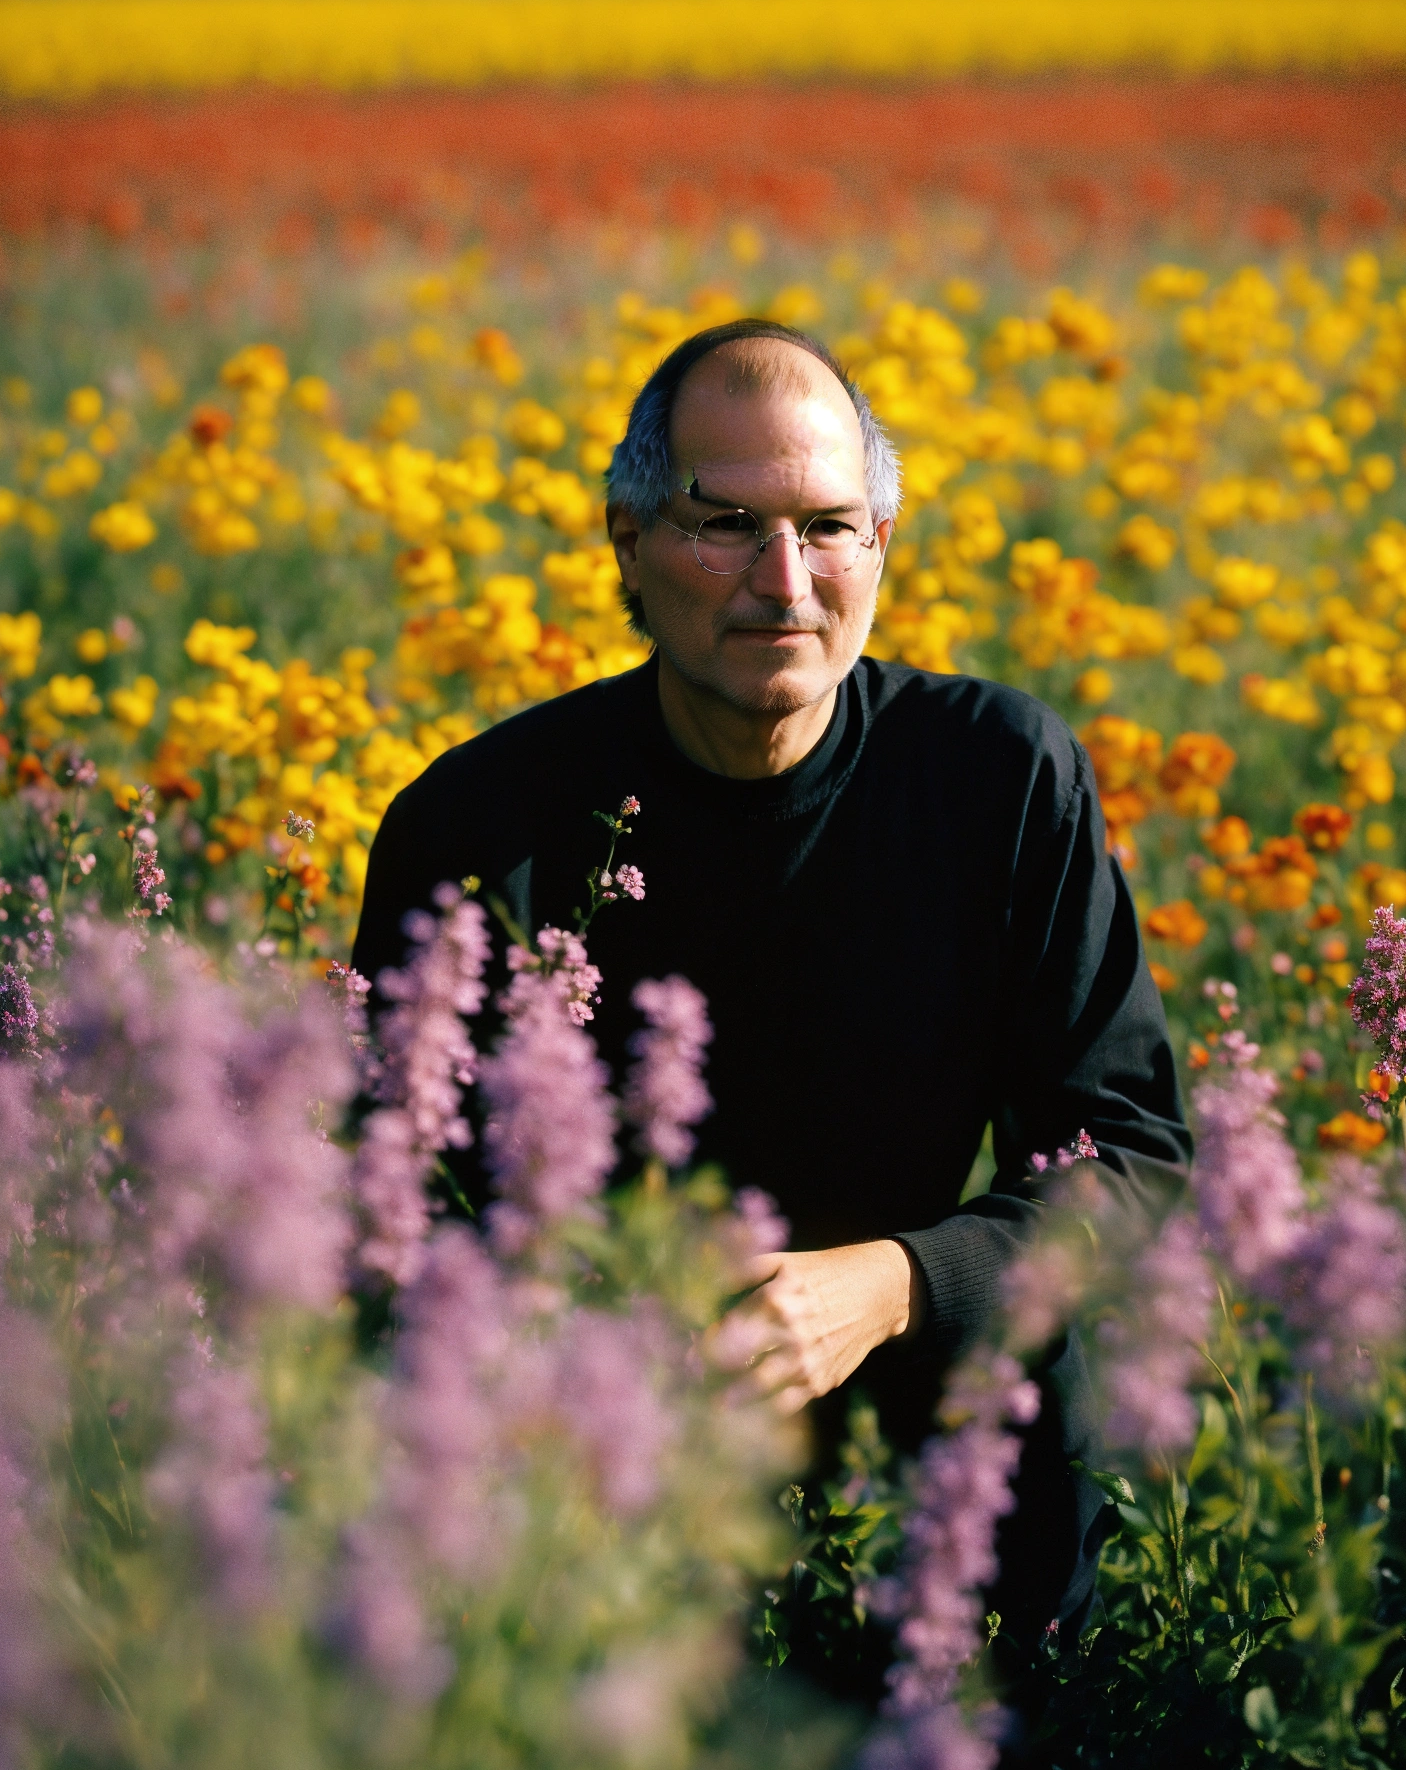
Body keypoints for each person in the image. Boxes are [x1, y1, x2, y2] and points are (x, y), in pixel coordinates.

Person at [351, 316, 1191, 1647]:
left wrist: (898, 1285)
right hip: (596, 1536)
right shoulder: (482, 829)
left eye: (830, 527)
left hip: (945, 1537)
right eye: (723, 524)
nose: (785, 582)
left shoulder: (1002, 777)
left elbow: (1136, 1161)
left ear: (882, 546)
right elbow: (390, 1225)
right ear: (627, 544)